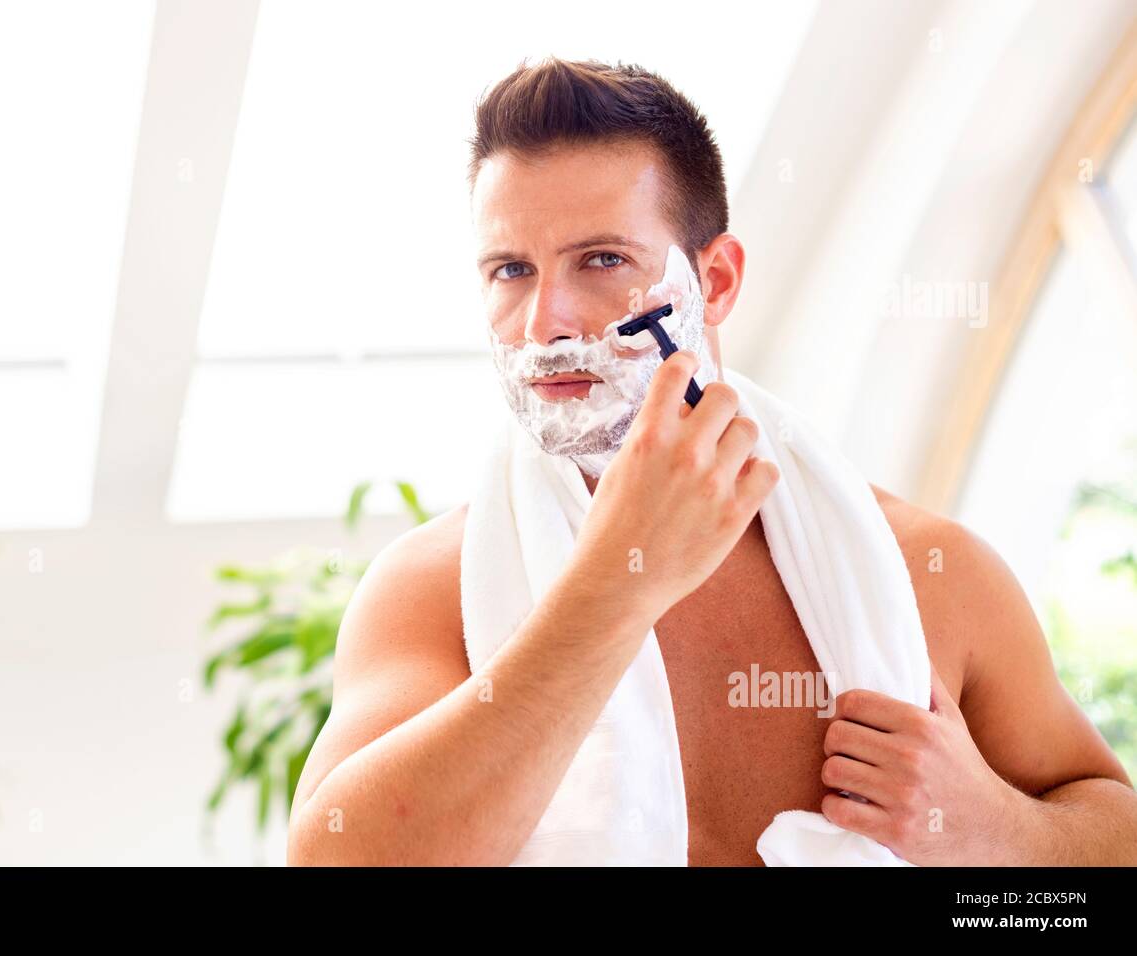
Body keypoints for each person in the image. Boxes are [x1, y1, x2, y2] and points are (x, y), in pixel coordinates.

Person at [285, 57, 1136, 866]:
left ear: (717, 281)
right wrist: (616, 589)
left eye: (603, 260)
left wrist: (990, 830)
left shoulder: (926, 571)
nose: (549, 319)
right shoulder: (431, 593)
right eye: (512, 270)